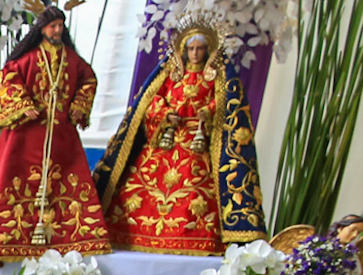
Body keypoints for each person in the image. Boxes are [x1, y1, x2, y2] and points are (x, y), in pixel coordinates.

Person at [0, 3, 110, 267]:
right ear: (41, 29)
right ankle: (8, 239)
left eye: (60, 26)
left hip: (61, 133)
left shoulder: (70, 59)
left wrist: (78, 106)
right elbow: (8, 78)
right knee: (16, 181)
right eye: (53, 26)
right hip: (27, 135)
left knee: (66, 180)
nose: (57, 30)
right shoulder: (28, 58)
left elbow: (89, 79)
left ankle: (69, 239)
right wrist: (22, 104)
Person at [94, 24, 265, 254]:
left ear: (208, 50)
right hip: (168, 139)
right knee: (136, 190)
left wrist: (210, 111)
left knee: (196, 191)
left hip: (196, 142)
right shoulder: (171, 75)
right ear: (183, 50)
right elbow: (153, 100)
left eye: (200, 48)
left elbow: (224, 104)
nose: (195, 54)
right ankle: (132, 234)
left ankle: (194, 237)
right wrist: (164, 114)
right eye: (191, 49)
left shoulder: (216, 77)